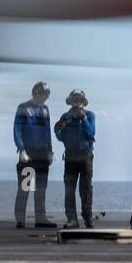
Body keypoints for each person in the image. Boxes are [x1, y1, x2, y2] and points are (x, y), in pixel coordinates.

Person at [13, 81, 56, 229]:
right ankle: (20, 219)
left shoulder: (45, 110)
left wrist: (50, 151)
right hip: (28, 154)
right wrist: (22, 150)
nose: (46, 97)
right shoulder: (23, 108)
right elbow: (17, 130)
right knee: (24, 188)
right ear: (36, 93)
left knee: (41, 189)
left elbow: (48, 132)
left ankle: (40, 219)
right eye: (44, 94)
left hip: (42, 155)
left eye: (47, 95)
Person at [53, 89, 97, 229]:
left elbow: (91, 133)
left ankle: (88, 218)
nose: (77, 103)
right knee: (69, 190)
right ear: (70, 101)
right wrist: (58, 129)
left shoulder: (90, 115)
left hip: (85, 157)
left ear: (83, 102)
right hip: (70, 157)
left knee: (86, 190)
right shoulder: (65, 116)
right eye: (75, 100)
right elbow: (60, 137)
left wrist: (83, 119)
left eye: (79, 100)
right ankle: (72, 219)